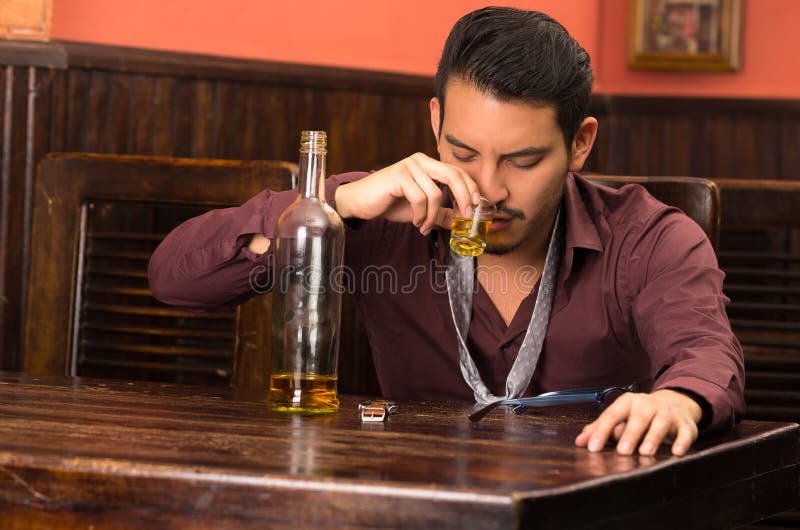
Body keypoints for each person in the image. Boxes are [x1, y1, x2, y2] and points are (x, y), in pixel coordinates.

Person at [148, 7, 744, 457]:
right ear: (436, 124)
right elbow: (174, 279)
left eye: (524, 160)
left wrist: (676, 399)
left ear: (580, 144)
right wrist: (336, 205)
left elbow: (707, 355)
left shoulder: (651, 237)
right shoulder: (374, 213)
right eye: (464, 152)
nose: (488, 189)